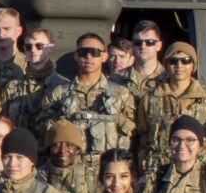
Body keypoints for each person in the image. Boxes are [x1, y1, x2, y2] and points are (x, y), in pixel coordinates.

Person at [12, 31, 135, 164]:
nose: (88, 56)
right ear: (76, 56)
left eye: (94, 52)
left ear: (104, 56)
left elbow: (129, 133)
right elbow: (44, 135)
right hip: (70, 173)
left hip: (106, 172)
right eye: (83, 52)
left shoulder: (121, 94)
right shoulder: (58, 93)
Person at [134, 40, 206, 173]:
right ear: (166, 65)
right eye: (173, 61)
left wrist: (200, 150)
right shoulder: (150, 99)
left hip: (196, 171)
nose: (179, 65)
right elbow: (141, 136)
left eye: (185, 60)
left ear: (193, 65)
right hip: (157, 171)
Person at [41, 120, 96, 193]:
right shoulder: (39, 176)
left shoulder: (91, 176)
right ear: (49, 149)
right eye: (56, 145)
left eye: (69, 145)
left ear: (77, 149)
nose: (62, 150)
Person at [114, 20, 165, 92]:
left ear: (159, 45)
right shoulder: (116, 78)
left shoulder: (169, 79)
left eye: (149, 42)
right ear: (132, 45)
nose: (143, 46)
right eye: (138, 42)